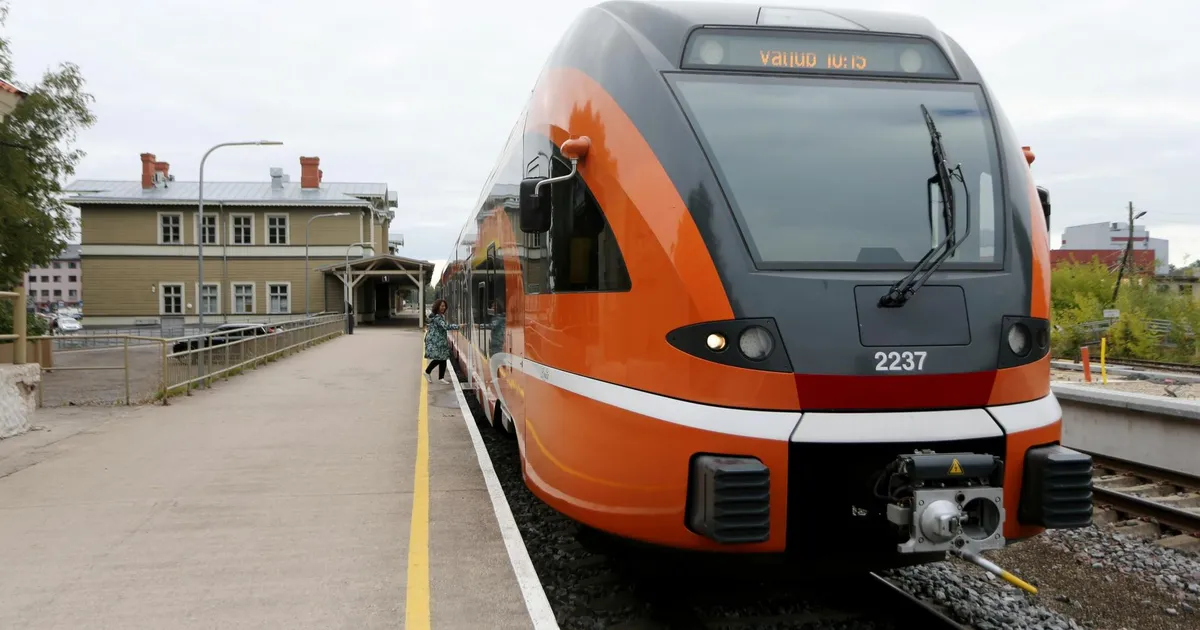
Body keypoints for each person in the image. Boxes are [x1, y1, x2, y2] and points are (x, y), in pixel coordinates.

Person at [423, 299, 459, 383]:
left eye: (444, 306)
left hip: (439, 340)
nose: (443, 307)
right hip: (436, 341)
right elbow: (445, 327)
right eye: (441, 306)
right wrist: (459, 326)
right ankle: (427, 372)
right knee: (439, 358)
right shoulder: (438, 317)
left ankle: (441, 377)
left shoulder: (438, 316)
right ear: (437, 306)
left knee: (443, 358)